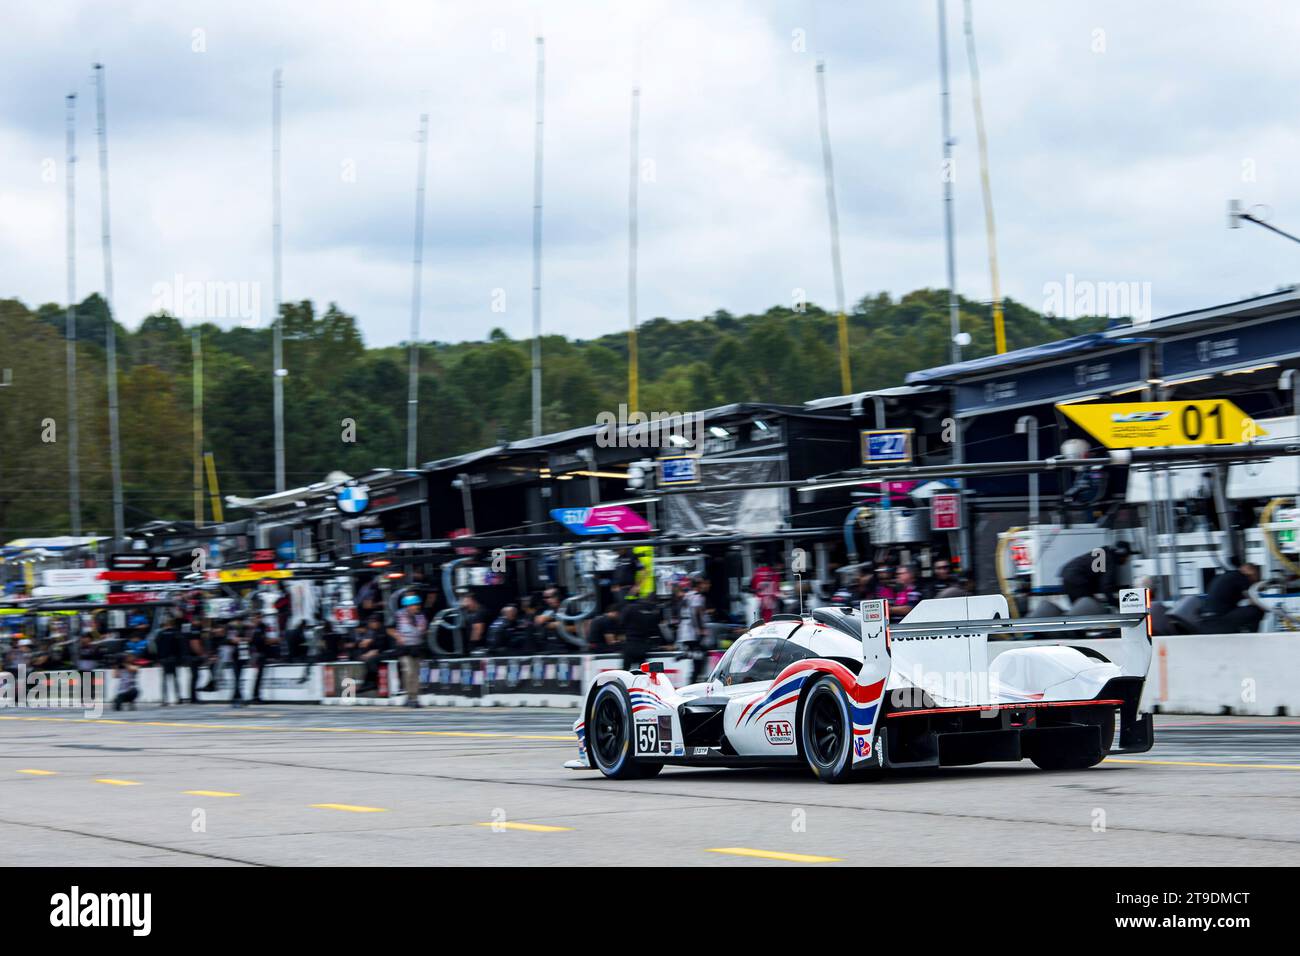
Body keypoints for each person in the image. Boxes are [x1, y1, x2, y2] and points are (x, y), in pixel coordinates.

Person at [1060, 541, 1134, 611]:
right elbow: (1106, 586)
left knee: (1080, 609)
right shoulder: (1110, 560)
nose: (1127, 559)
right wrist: (1117, 604)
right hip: (1076, 579)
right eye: (1127, 556)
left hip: (1068, 575)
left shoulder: (1105, 553)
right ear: (1122, 554)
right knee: (1091, 608)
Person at [1200, 559, 1263, 633]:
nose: (1255, 581)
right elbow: (1253, 599)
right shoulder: (1241, 577)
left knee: (1244, 611)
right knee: (1255, 611)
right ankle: (1253, 638)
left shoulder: (1227, 576)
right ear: (1252, 572)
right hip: (1218, 620)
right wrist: (1266, 608)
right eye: (1257, 576)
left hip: (1206, 620)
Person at [391, 593, 428, 707]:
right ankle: (410, 695)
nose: (416, 607)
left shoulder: (421, 616)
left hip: (416, 648)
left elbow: (423, 631)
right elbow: (389, 628)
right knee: (408, 671)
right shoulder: (398, 615)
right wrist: (398, 637)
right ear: (407, 606)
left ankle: (414, 698)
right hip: (404, 649)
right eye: (414, 605)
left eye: (417, 605)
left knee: (416, 674)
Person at [620, 592, 661, 671]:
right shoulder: (651, 610)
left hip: (630, 643)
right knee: (643, 671)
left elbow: (621, 623)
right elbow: (654, 626)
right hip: (643, 645)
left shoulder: (629, 608)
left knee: (625, 671)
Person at [155, 613, 183, 706]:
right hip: (173, 659)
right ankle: (178, 698)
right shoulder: (176, 633)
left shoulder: (160, 634)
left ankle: (164, 700)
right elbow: (180, 647)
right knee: (175, 679)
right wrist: (179, 658)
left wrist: (158, 659)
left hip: (164, 659)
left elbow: (157, 647)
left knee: (164, 680)